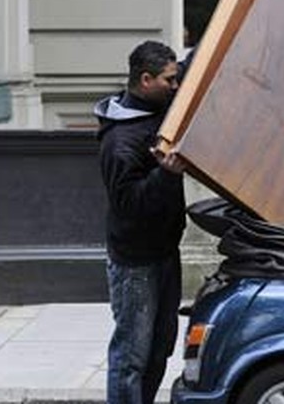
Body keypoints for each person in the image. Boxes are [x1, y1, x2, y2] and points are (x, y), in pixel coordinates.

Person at [95, 40, 187, 404]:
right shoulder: (120, 141)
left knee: (159, 348)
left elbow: (196, 68)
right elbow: (129, 204)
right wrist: (165, 174)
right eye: (169, 80)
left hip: (164, 252)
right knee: (131, 356)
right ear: (146, 80)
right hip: (136, 263)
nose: (175, 86)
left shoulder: (156, 109)